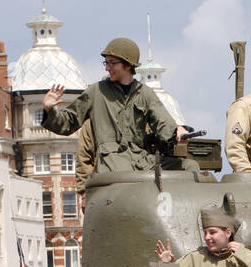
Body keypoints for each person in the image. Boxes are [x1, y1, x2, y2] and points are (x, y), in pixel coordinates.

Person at [41, 37, 190, 181]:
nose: (107, 68)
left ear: (127, 65)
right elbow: (68, 122)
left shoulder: (145, 93)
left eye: (112, 63)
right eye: (105, 63)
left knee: (189, 167)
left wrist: (177, 131)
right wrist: (50, 110)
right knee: (128, 180)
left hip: (141, 160)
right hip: (111, 162)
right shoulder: (96, 92)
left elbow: (162, 121)